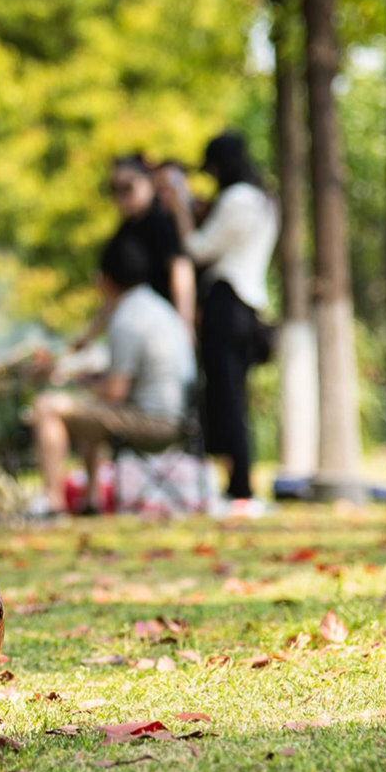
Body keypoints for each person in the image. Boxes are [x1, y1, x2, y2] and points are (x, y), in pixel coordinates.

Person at [33, 235, 197, 515]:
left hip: (153, 424)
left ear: (105, 280)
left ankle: (54, 502)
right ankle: (91, 500)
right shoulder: (158, 308)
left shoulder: (126, 319)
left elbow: (114, 392)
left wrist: (72, 382)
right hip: (181, 417)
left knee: (48, 407)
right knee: (86, 412)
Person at [159, 131, 278, 507]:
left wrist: (180, 209)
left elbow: (197, 249)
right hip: (247, 306)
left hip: (228, 303)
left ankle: (239, 487)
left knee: (227, 399)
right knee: (232, 398)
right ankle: (236, 482)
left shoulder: (238, 199)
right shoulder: (260, 199)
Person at [75, 155, 196, 350]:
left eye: (127, 187)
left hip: (164, 330)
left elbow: (181, 273)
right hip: (137, 329)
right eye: (114, 190)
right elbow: (113, 295)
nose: (120, 197)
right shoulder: (123, 233)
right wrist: (87, 337)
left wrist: (184, 329)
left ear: (148, 182)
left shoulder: (162, 223)